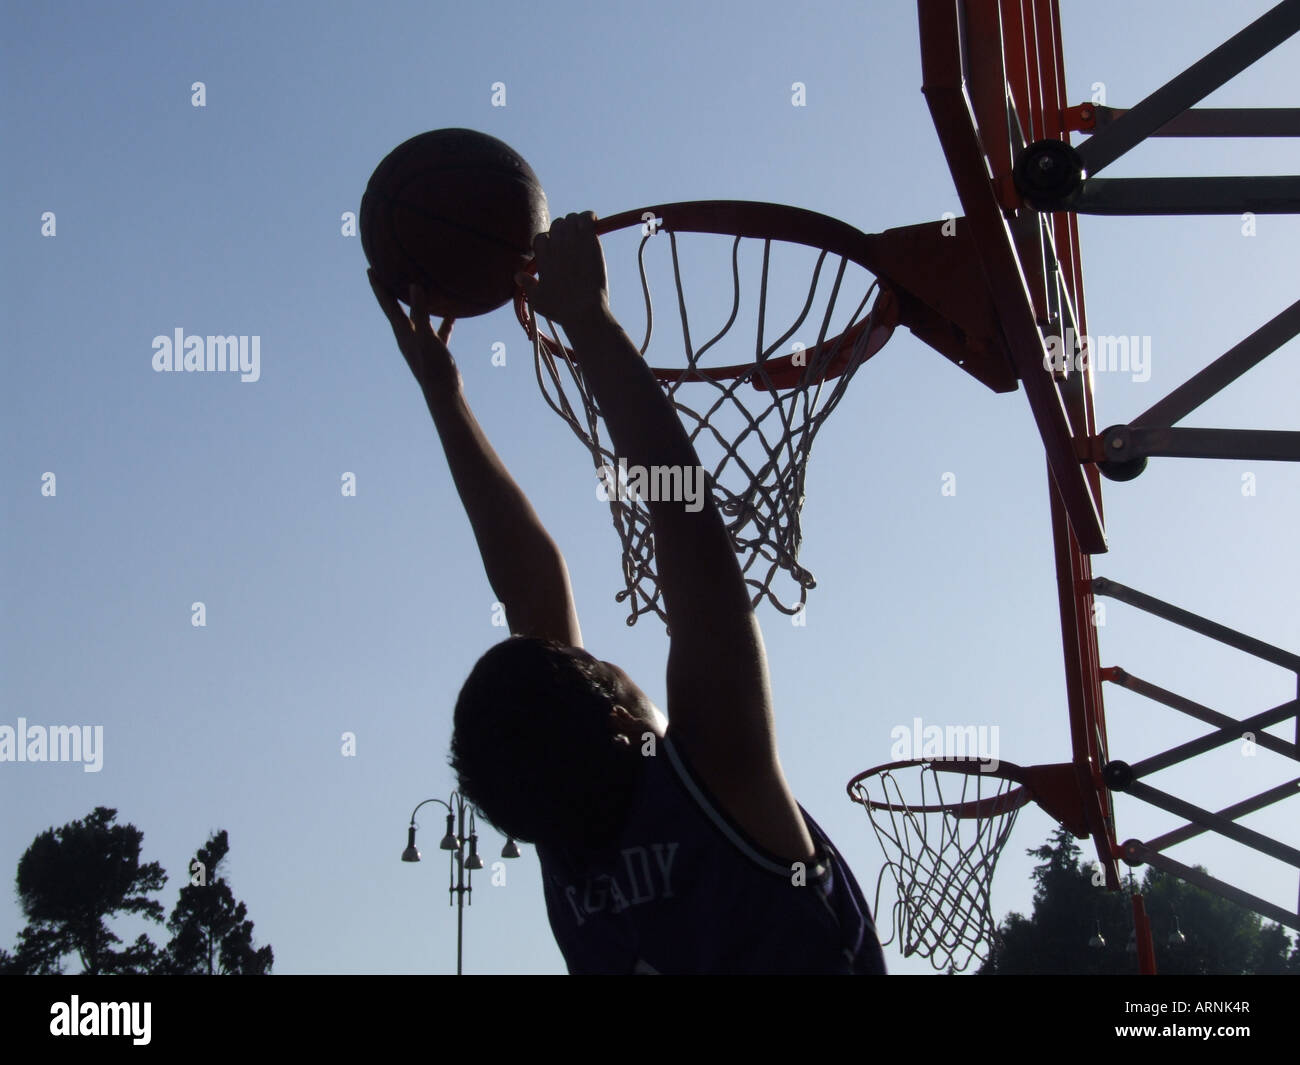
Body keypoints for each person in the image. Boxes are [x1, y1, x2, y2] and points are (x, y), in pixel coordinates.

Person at [369, 212, 885, 974]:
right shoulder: (719, 780)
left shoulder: (566, 839)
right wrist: (589, 319)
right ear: (620, 720)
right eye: (616, 674)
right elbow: (688, 526)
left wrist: (444, 396)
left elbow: (530, 592)